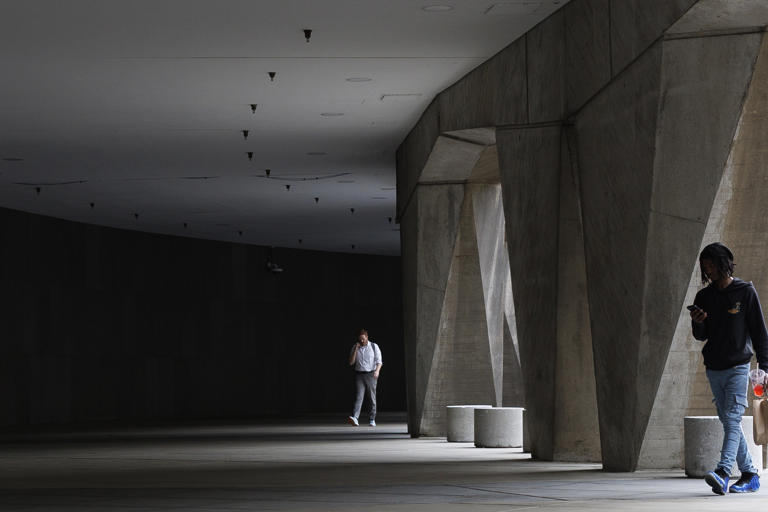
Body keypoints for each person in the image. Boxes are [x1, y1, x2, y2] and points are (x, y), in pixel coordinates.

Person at [690, 242, 768, 495]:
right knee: (728, 420)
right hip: (714, 366)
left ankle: (723, 471)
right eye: (705, 267)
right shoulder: (704, 297)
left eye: (712, 265)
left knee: (733, 417)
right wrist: (699, 323)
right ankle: (750, 474)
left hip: (738, 365)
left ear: (724, 263)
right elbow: (701, 336)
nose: (708, 271)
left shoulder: (745, 291)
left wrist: (764, 366)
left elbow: (759, 332)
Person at [347, 328, 382, 427]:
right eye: (360, 339)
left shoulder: (374, 346)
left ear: (367, 337)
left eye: (363, 338)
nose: (362, 341)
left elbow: (379, 361)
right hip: (359, 375)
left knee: (371, 397)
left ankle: (372, 419)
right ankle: (355, 417)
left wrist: (377, 371)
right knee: (359, 396)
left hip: (371, 374)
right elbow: (351, 362)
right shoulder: (355, 347)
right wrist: (356, 350)